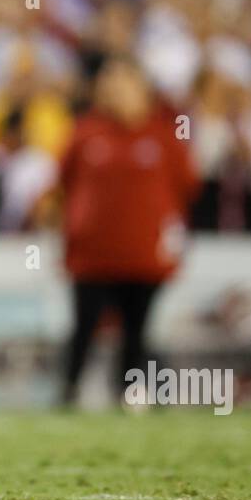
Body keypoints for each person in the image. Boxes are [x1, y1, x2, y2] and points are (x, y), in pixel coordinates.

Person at [57, 57, 198, 407]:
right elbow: (63, 181)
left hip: (143, 255)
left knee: (137, 331)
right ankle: (69, 392)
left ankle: (130, 394)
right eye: (110, 82)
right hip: (92, 255)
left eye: (123, 82)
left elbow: (186, 188)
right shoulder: (86, 132)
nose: (115, 91)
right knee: (83, 328)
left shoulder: (164, 136)